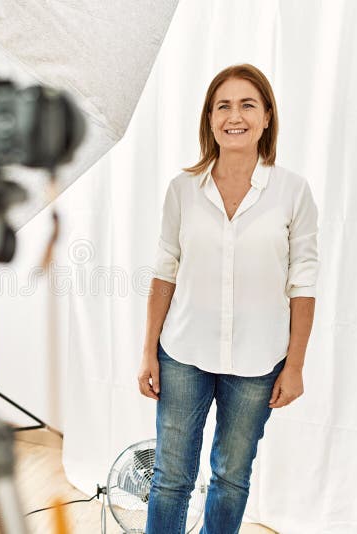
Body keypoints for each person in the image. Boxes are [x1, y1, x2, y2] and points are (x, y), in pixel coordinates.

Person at [138, 64, 319, 534]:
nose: (234, 116)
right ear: (210, 118)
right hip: (182, 353)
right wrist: (148, 351)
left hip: (259, 362)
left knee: (231, 477)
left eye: (247, 105)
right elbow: (165, 271)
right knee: (170, 479)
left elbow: (303, 283)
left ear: (266, 116)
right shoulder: (182, 189)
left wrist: (295, 366)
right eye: (223, 106)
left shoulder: (292, 191)